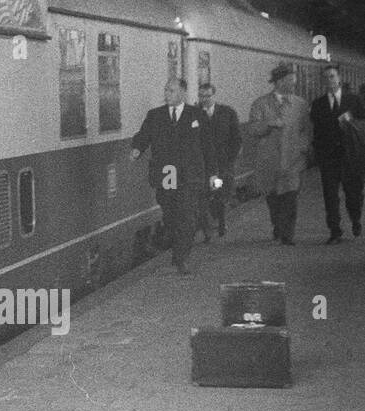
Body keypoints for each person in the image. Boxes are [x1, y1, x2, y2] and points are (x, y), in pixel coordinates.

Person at [131, 76, 220, 275]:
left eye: (171, 90)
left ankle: (182, 258)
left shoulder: (197, 115)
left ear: (182, 93)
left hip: (190, 174)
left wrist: (213, 174)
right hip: (167, 173)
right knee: (170, 214)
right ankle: (178, 250)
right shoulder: (155, 115)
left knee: (187, 216)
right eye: (166, 90)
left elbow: (208, 146)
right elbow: (144, 135)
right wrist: (137, 148)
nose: (166, 94)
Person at [246, 64, 311, 245]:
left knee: (290, 198)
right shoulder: (260, 104)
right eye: (291, 82)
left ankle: (287, 235)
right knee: (273, 199)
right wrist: (269, 123)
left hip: (293, 161)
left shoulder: (300, 104)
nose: (294, 85)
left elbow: (306, 130)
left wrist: (302, 148)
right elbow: (252, 129)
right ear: (280, 82)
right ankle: (277, 225)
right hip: (270, 161)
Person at [309, 63, 364, 243]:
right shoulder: (318, 104)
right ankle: (335, 231)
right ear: (322, 82)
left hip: (351, 156)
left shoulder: (354, 100)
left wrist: (352, 121)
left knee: (353, 193)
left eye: (332, 76)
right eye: (325, 78)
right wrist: (318, 154)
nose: (329, 80)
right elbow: (316, 131)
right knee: (330, 195)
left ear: (339, 78)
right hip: (329, 158)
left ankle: (355, 219)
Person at [196, 82, 242, 239]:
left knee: (220, 194)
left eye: (208, 96)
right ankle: (208, 230)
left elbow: (236, 138)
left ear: (214, 95)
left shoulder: (227, 113)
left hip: (222, 165)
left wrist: (230, 159)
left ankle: (221, 222)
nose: (204, 99)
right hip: (202, 165)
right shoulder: (193, 114)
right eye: (201, 96)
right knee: (202, 196)